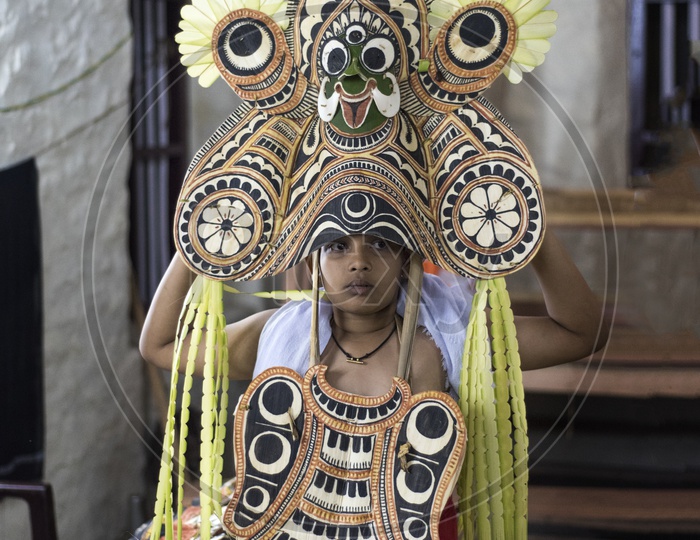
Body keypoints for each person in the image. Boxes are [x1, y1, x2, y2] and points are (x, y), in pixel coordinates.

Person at [140, 231, 607, 396]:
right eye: (338, 247)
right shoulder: (278, 335)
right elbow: (160, 346)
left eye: (380, 245)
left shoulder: (449, 339)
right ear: (313, 267)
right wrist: (191, 248)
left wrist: (532, 231)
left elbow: (581, 334)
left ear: (408, 262)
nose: (359, 262)